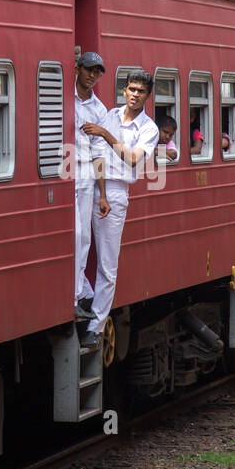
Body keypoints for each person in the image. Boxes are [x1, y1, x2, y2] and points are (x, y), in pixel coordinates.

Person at [81, 69, 160, 347]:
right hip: (95, 184)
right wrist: (99, 190)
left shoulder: (149, 129)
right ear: (124, 90)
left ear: (147, 96)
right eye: (131, 89)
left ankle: (96, 325)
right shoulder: (110, 115)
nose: (135, 95)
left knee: (106, 262)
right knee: (79, 243)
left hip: (116, 192)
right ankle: (84, 294)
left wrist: (107, 135)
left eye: (140, 91)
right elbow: (97, 152)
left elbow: (134, 160)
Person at [73, 51, 109, 322]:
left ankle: (77, 293)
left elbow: (99, 153)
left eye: (97, 72)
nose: (92, 76)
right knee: (73, 234)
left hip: (85, 173)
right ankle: (80, 289)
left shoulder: (99, 109)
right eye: (89, 70)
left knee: (83, 235)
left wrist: (103, 193)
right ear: (78, 68)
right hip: (61, 169)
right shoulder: (65, 96)